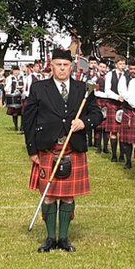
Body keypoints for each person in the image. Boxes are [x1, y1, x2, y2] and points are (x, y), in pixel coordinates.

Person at [24, 48, 103, 253]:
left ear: (71, 67)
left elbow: (97, 114)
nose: (62, 68)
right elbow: (29, 120)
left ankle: (65, 238)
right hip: (47, 147)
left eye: (65, 65)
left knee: (68, 196)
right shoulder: (39, 88)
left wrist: (84, 122)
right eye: (58, 64)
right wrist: (32, 150)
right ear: (51, 66)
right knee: (49, 195)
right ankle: (51, 238)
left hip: (73, 147)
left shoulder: (83, 89)